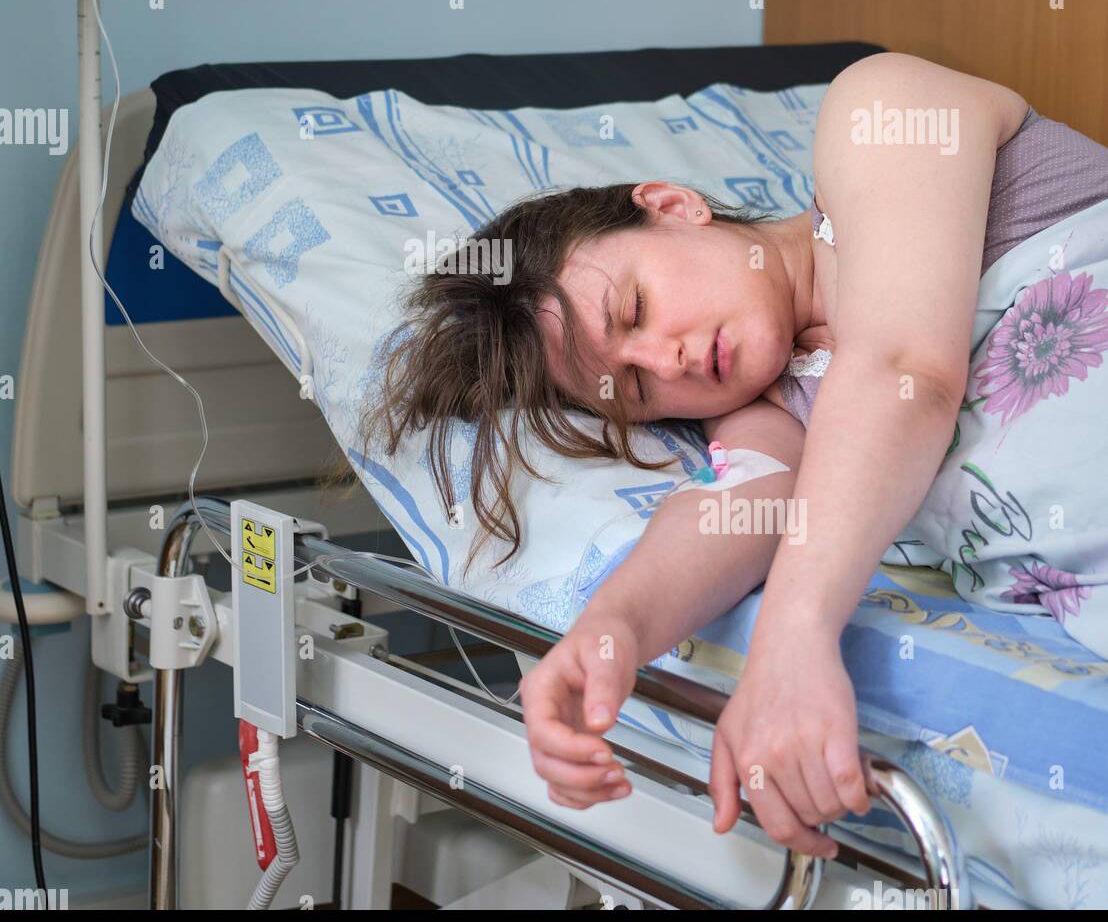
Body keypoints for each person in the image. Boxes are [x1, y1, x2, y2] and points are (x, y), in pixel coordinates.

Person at [363, 52, 1108, 858]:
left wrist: (795, 637)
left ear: (674, 206)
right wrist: (604, 635)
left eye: (634, 309)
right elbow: (735, 514)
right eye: (632, 388)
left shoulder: (880, 116)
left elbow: (905, 371)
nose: (664, 360)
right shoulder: (780, 414)